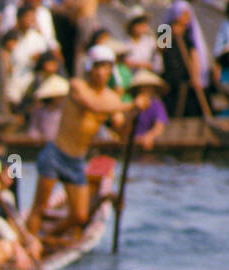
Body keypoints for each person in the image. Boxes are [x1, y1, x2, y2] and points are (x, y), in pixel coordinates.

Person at [26, 45, 148, 238]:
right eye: (97, 67)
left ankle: (46, 239)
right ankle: (29, 244)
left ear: (110, 70)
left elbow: (122, 132)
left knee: (80, 216)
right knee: (39, 208)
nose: (100, 72)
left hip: (76, 161)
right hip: (56, 154)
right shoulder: (77, 86)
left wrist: (135, 112)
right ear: (90, 68)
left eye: (105, 67)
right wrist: (131, 104)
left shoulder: (112, 98)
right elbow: (94, 105)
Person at [160, 0, 210, 118]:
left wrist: (195, 75)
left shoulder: (189, 33)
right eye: (184, 15)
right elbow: (161, 48)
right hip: (170, 77)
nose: (187, 18)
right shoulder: (164, 29)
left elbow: (194, 54)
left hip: (186, 77)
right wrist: (171, 33)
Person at [128, 70, 169, 149]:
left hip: (149, 144)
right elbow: (126, 126)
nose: (146, 90)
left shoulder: (157, 105)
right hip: (132, 143)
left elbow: (159, 126)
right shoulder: (132, 104)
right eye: (143, 87)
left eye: (149, 87)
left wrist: (149, 136)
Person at [27, 74, 69, 140]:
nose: (62, 99)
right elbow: (33, 130)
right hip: (44, 145)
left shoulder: (66, 112)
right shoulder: (38, 112)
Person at [124, 6, 161, 74]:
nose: (142, 25)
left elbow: (158, 66)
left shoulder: (151, 42)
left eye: (144, 22)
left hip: (147, 77)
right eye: (138, 23)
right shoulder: (124, 43)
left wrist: (148, 66)